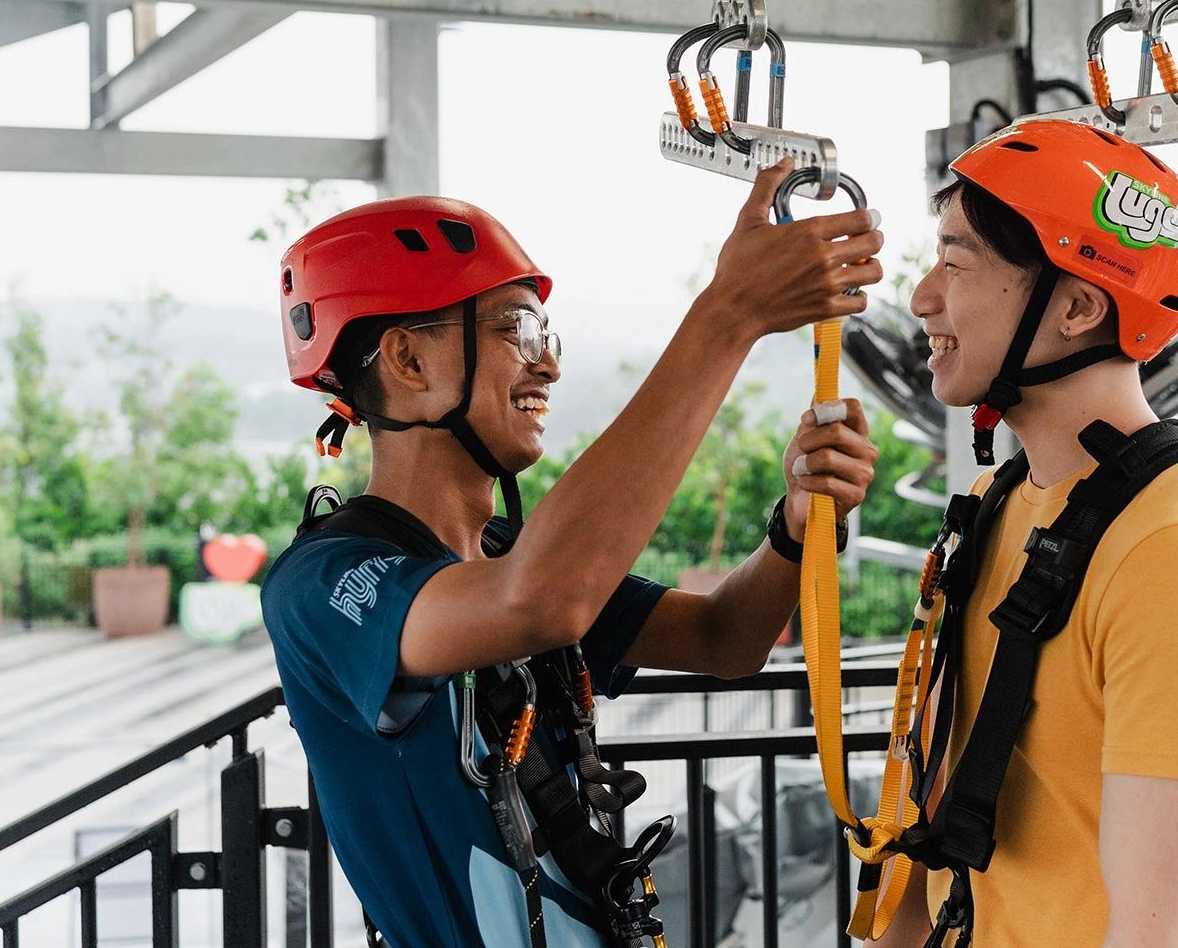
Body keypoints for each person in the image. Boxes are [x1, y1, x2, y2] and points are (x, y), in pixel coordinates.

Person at [261, 161, 884, 948]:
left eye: (545, 336)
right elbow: (538, 603)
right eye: (515, 331)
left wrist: (795, 527)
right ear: (409, 363)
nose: (548, 364)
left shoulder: (506, 556)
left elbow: (725, 639)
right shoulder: (323, 584)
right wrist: (727, 316)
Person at [871, 120, 1178, 947]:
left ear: (1076, 305)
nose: (924, 296)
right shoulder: (1003, 500)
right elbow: (936, 834)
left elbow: (1159, 932)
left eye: (956, 262)